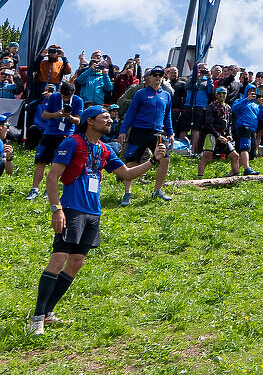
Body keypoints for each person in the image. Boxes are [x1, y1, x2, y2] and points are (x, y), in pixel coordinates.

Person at [27, 105, 168, 336]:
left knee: (76, 262)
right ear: (90, 121)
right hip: (71, 208)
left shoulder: (104, 149)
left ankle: (48, 313)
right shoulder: (72, 143)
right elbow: (52, 178)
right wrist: (56, 209)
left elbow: (127, 174)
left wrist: (154, 160)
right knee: (59, 258)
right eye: (105, 117)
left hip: (94, 213)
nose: (110, 120)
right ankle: (36, 318)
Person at [116, 66, 173, 205]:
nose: (158, 78)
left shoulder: (166, 95)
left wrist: (170, 132)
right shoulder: (140, 94)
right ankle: (127, 193)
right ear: (149, 77)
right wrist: (123, 131)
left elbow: (168, 116)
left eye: (160, 76)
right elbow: (130, 113)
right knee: (132, 161)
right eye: (155, 75)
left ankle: (157, 190)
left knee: (165, 159)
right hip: (139, 131)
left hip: (157, 132)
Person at [26, 83, 83, 201]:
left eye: (68, 97)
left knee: (56, 163)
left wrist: (69, 117)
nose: (65, 99)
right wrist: (56, 114)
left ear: (73, 94)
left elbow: (78, 121)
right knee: (40, 162)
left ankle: (50, 189)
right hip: (49, 132)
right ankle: (34, 189)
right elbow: (44, 115)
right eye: (63, 96)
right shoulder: (54, 97)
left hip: (66, 134)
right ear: (60, 92)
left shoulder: (78, 100)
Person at [197, 87, 234, 178]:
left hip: (224, 136)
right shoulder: (212, 106)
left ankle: (234, 176)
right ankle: (199, 177)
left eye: (224, 93)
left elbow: (229, 123)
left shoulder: (228, 108)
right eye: (220, 93)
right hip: (212, 134)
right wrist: (217, 136)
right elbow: (208, 124)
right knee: (207, 155)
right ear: (216, 95)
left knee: (235, 155)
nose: (222, 95)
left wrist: (229, 134)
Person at [230, 85, 263, 176]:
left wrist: (261, 106)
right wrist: (247, 99)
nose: (252, 93)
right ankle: (247, 169)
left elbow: (262, 117)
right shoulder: (240, 101)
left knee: (250, 152)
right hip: (243, 127)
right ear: (246, 91)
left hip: (253, 129)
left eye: (254, 91)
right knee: (244, 148)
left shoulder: (255, 105)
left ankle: (234, 171)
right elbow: (234, 109)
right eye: (250, 91)